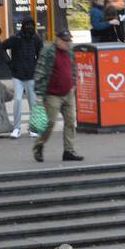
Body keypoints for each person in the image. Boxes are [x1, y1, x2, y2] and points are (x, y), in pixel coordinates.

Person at [31, 28, 83, 162]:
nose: (67, 43)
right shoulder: (48, 51)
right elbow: (40, 72)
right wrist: (38, 94)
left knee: (71, 121)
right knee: (50, 122)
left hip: (68, 92)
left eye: (69, 41)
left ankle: (69, 150)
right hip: (52, 93)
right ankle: (39, 145)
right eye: (65, 41)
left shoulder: (70, 51)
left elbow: (72, 68)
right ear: (58, 40)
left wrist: (74, 84)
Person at [2, 17, 43, 138]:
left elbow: (41, 55)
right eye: (27, 25)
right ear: (23, 26)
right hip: (18, 74)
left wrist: (37, 67)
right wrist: (10, 63)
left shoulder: (36, 39)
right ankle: (17, 128)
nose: (29, 28)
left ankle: (33, 128)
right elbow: (1, 47)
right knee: (18, 100)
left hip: (31, 74)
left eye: (31, 25)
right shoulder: (16, 39)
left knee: (32, 101)